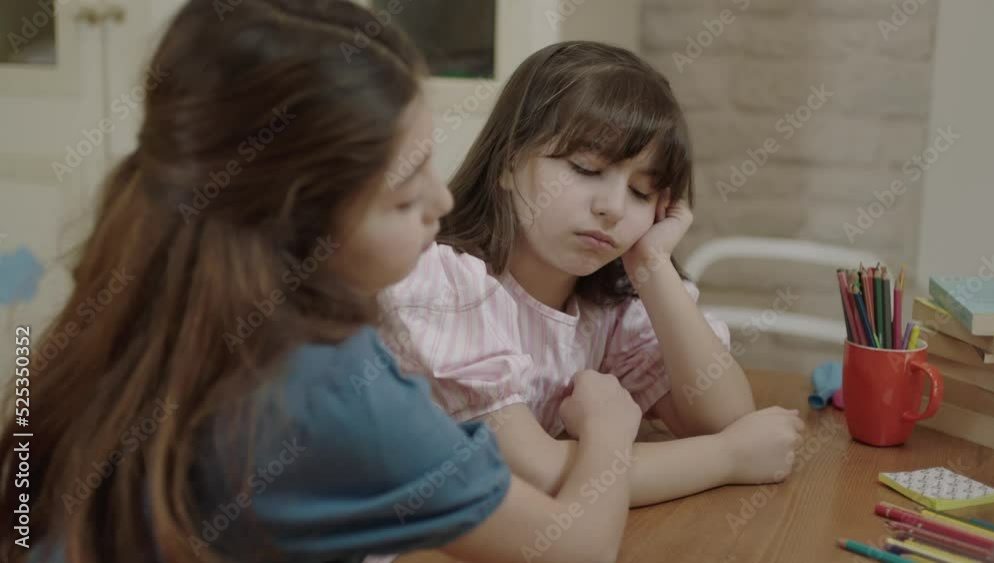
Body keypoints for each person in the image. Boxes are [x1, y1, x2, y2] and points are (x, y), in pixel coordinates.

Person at [0, 4, 643, 562]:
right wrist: (610, 426)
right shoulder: (330, 389)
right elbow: (574, 547)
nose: (442, 200)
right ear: (299, 222)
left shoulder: (144, 283)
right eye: (401, 196)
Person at [382, 41, 805, 508]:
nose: (612, 207)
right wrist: (726, 458)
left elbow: (724, 416)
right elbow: (534, 475)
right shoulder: (443, 286)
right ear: (506, 162)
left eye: (643, 193)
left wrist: (651, 265)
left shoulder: (610, 302)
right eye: (585, 168)